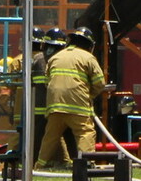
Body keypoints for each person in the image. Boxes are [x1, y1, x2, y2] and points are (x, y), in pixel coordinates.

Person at [35, 29, 107, 170]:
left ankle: (39, 166)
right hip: (78, 107)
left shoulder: (56, 57)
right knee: (85, 133)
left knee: (50, 137)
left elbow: (46, 81)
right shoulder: (88, 58)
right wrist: (89, 95)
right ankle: (86, 165)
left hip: (55, 105)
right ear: (89, 45)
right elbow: (100, 83)